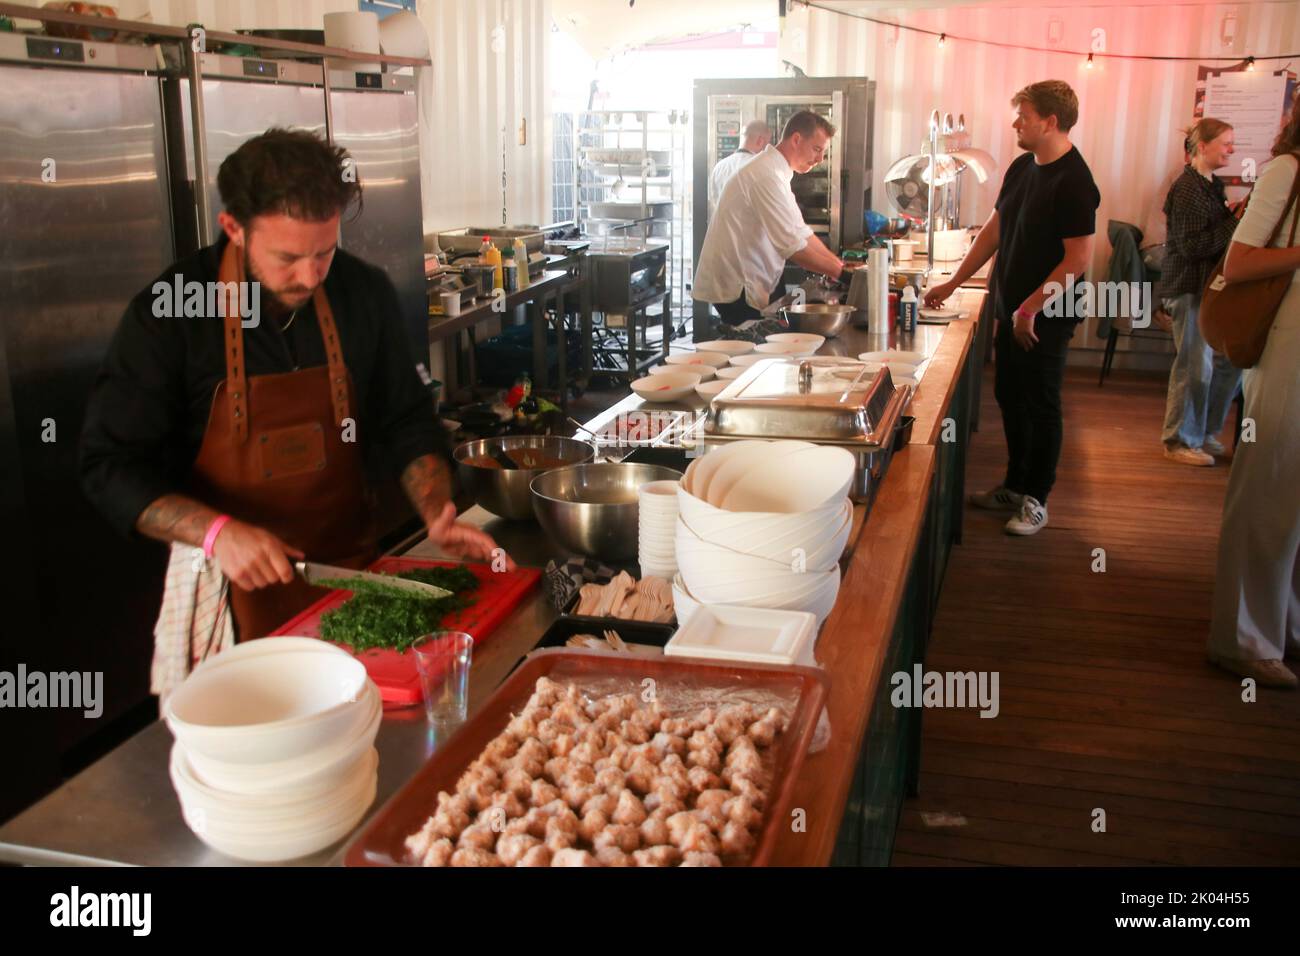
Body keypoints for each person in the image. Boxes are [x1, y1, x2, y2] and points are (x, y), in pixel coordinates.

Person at [80, 128, 510, 690]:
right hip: (230, 602)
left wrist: (435, 511)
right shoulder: (170, 313)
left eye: (324, 253)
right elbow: (108, 466)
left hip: (352, 581)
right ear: (233, 227)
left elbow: (405, 420)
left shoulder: (363, 293)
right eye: (287, 257)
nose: (310, 277)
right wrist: (217, 533)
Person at [926, 80, 1100, 536]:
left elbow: (1078, 260)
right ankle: (1015, 484)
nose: (1015, 123)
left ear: (1051, 121)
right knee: (1008, 395)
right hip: (1013, 309)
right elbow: (994, 232)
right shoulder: (1024, 167)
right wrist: (954, 281)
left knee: (1041, 404)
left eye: (1023, 115)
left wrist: (1030, 309)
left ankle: (1037, 499)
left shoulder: (1076, 180)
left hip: (1047, 316)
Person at [1207, 94, 1300, 689]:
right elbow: (1237, 262)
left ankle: (1284, 625)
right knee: (1270, 485)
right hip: (1288, 343)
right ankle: (1243, 636)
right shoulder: (1287, 172)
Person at [693, 110, 845, 335]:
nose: (820, 159)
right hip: (736, 284)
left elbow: (802, 233)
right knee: (751, 352)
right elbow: (792, 248)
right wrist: (844, 276)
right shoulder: (764, 175)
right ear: (796, 139)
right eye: (817, 149)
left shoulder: (777, 172)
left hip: (750, 278)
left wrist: (839, 266)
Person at [1158, 118, 1243, 466]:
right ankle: (1179, 441)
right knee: (1194, 367)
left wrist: (1230, 218)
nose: (1232, 149)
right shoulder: (1189, 188)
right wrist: (1234, 222)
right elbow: (1193, 247)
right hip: (1189, 286)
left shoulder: (1210, 184)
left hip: (1206, 288)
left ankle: (1202, 433)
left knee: (1225, 365)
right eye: (1226, 143)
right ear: (1203, 146)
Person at [707, 120, 771, 220]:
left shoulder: (719, 167)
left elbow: (714, 203)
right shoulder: (761, 168)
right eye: (767, 144)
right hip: (750, 234)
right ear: (760, 141)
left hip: (722, 231)